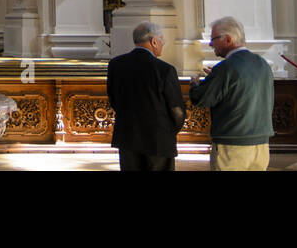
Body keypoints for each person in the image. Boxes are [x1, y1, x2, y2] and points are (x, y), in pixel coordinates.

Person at [189, 16, 274, 171]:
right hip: (261, 144)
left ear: (227, 39)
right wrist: (214, 79)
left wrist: (195, 84)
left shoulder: (225, 68)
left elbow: (201, 99)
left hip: (232, 145)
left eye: (213, 39)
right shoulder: (263, 64)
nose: (210, 44)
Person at [106, 21, 185, 171]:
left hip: (128, 136)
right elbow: (177, 110)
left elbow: (113, 99)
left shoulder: (116, 65)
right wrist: (169, 130)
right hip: (158, 140)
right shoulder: (165, 70)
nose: (163, 44)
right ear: (154, 41)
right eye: (162, 40)